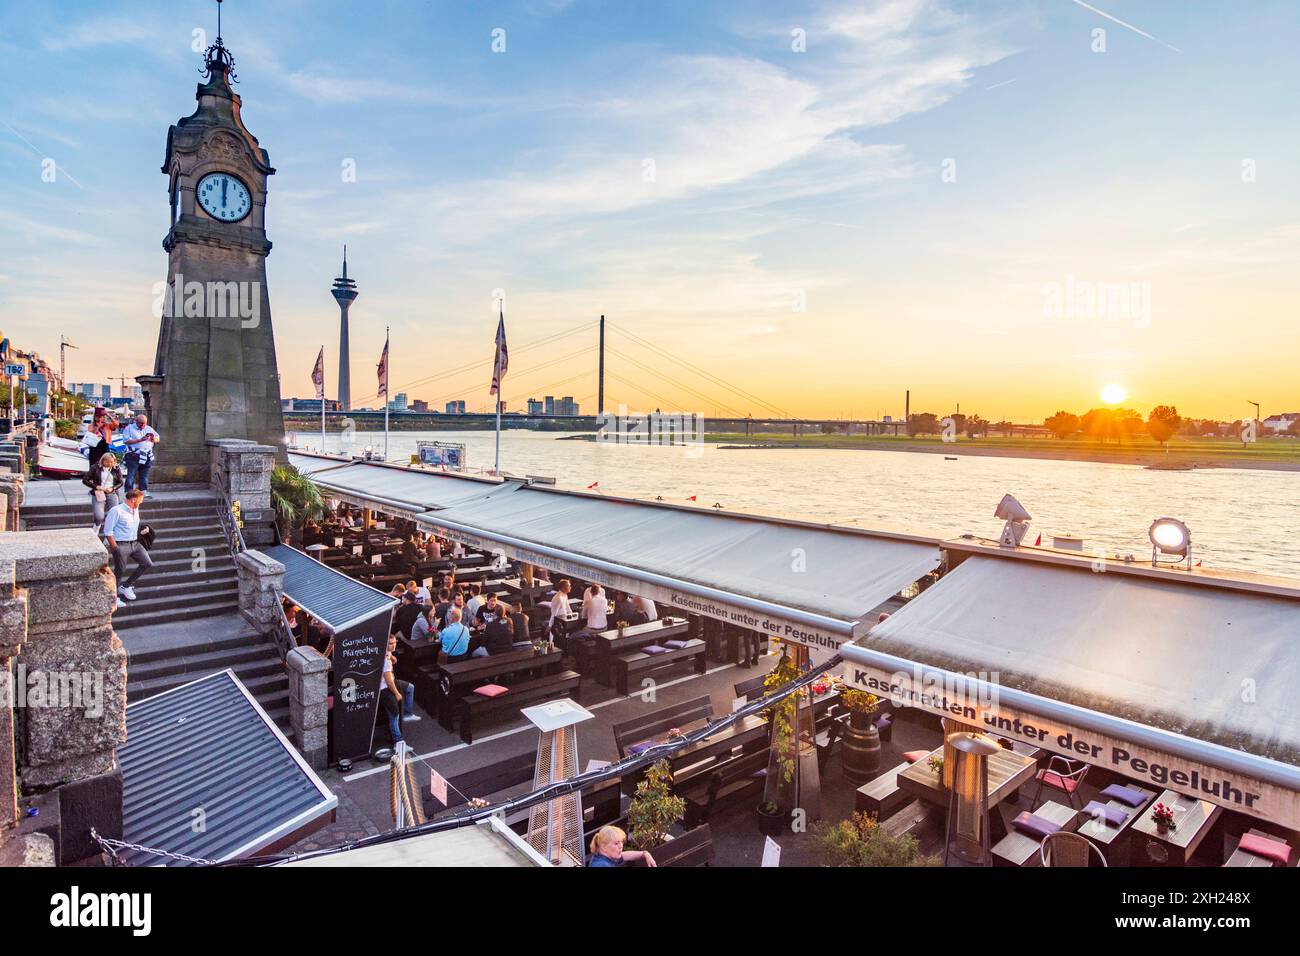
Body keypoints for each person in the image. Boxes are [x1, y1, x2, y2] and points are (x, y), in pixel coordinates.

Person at [102, 489, 152, 608]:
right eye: (139, 501)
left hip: (135, 543)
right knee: (120, 571)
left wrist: (142, 529)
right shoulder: (116, 511)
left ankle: (125, 586)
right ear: (133, 500)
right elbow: (108, 532)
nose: (140, 503)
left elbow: (132, 525)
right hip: (121, 545)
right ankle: (113, 598)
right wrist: (115, 548)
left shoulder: (135, 509)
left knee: (147, 563)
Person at [380, 633, 421, 744]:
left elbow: (388, 655)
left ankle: (408, 714)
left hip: (391, 682)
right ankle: (398, 742)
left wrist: (392, 656)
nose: (393, 646)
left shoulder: (386, 653)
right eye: (390, 644)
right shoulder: (386, 661)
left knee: (410, 688)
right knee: (394, 715)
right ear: (385, 644)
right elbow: (388, 681)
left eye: (394, 643)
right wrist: (397, 693)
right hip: (384, 688)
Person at [121, 413, 160, 496]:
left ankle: (143, 491)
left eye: (144, 423)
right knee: (131, 474)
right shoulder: (129, 428)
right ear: (136, 421)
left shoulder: (149, 428)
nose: (143, 425)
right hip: (133, 455)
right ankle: (128, 491)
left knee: (144, 475)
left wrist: (153, 438)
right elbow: (126, 441)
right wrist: (140, 440)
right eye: (141, 423)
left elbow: (158, 439)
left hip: (146, 455)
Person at [83, 451, 123, 532]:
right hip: (99, 493)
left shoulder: (116, 468)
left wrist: (113, 488)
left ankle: (110, 533)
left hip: (112, 493)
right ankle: (97, 526)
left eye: (112, 462)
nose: (110, 464)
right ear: (102, 460)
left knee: (114, 514)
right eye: (107, 462)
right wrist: (96, 486)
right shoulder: (95, 467)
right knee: (99, 516)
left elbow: (121, 482)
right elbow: (85, 480)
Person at [587, 826, 656, 867]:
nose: (621, 846)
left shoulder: (606, 856)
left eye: (621, 842)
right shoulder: (601, 865)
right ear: (604, 847)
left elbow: (625, 855)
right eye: (616, 843)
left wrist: (645, 854)